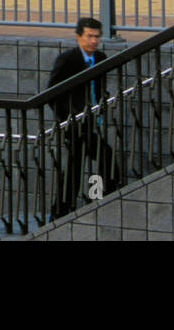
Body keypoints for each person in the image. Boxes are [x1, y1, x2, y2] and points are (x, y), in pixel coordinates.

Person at [47, 18, 119, 218]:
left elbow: (99, 86)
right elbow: (51, 92)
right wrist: (65, 119)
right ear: (78, 36)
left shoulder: (101, 58)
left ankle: (63, 208)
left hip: (92, 120)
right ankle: (67, 207)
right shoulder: (67, 60)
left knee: (77, 164)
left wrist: (102, 102)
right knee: (99, 157)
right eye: (89, 36)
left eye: (97, 36)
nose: (93, 41)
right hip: (74, 122)